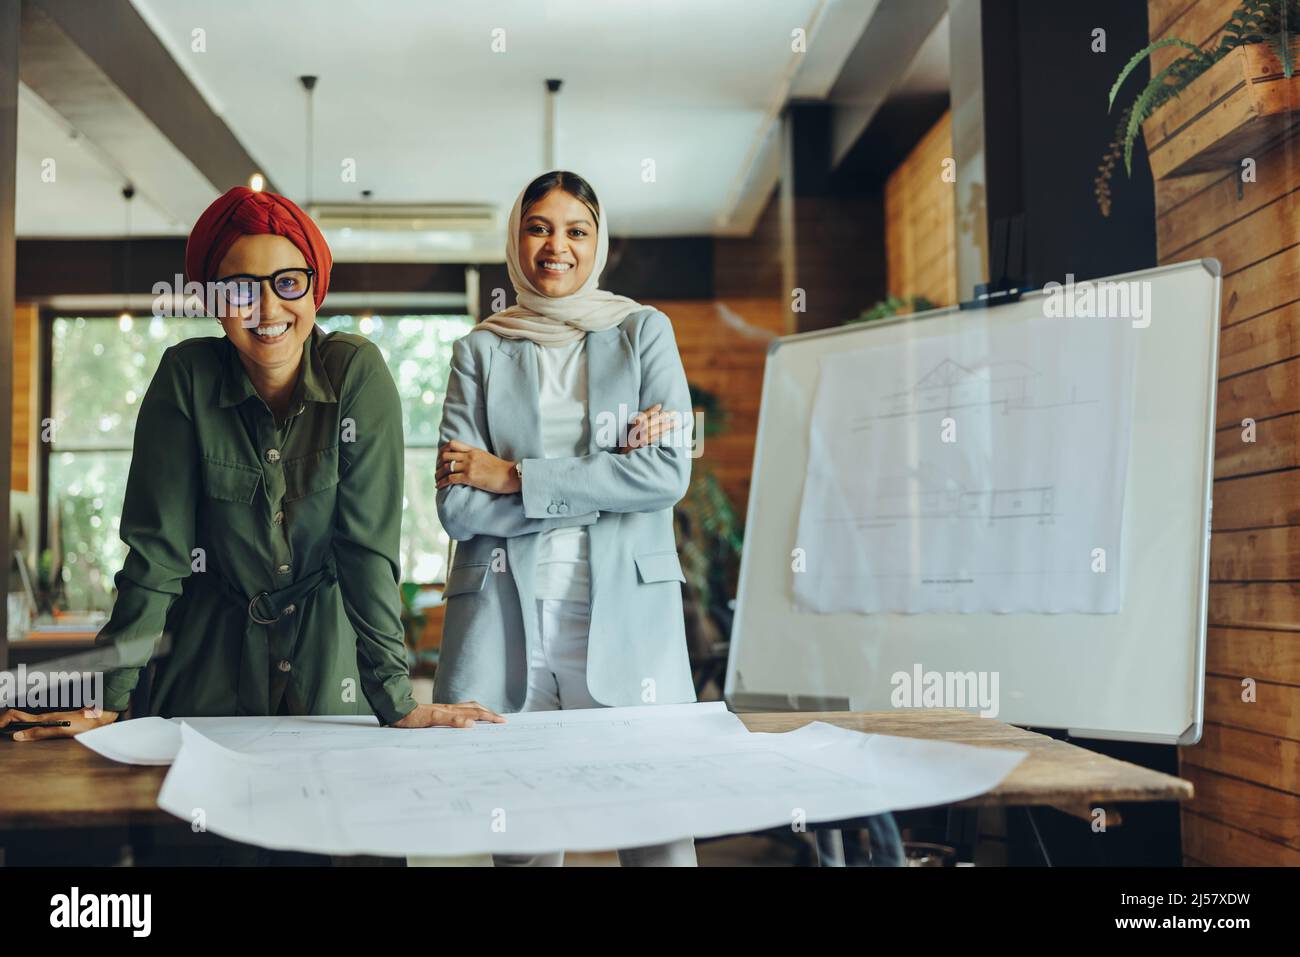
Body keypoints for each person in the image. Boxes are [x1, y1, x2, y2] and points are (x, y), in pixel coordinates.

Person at [1, 187, 501, 742]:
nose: (266, 310)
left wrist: (396, 698)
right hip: (207, 669)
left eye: (288, 282)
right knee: (193, 820)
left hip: (326, 665)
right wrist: (109, 698)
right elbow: (157, 558)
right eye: (239, 288)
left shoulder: (356, 373)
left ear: (314, 288)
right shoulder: (184, 380)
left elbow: (365, 550)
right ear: (214, 301)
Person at [434, 170, 697, 866]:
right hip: (505, 620)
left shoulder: (643, 333)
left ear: (597, 240)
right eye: (539, 227)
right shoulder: (480, 350)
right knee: (520, 839)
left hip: (626, 620)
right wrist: (603, 478)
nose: (558, 245)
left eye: (576, 229)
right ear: (516, 239)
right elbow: (459, 507)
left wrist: (514, 475)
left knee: (657, 838)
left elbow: (666, 474)